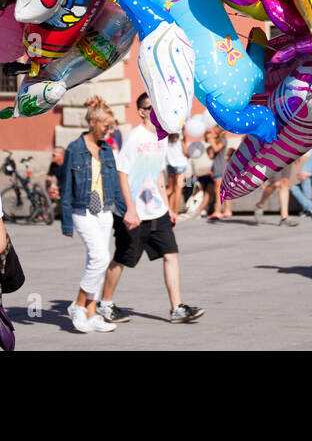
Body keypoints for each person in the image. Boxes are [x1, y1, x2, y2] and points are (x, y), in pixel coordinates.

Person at [97, 94, 204, 324]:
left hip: (157, 211)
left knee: (171, 254)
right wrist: (130, 209)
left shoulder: (162, 137)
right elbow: (122, 175)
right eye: (150, 107)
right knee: (123, 259)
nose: (156, 111)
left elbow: (158, 174)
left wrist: (168, 207)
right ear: (142, 112)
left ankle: (177, 308)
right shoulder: (135, 138)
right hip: (132, 213)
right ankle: (105, 304)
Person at [60, 97, 126, 334]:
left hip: (105, 211)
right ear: (93, 122)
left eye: (111, 126)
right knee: (100, 258)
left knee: (96, 260)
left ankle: (91, 312)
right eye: (105, 126)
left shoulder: (107, 149)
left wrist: (125, 213)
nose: (109, 130)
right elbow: (66, 187)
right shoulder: (74, 149)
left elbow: (116, 186)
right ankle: (78, 305)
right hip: (82, 211)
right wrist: (66, 222)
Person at [254, 159, 300, 227]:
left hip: (288, 154)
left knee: (285, 182)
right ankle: (260, 204)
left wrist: (298, 154)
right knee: (276, 183)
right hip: (273, 153)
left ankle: (284, 218)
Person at [203, 127, 232, 220]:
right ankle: (227, 210)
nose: (214, 132)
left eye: (216, 130)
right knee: (223, 190)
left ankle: (218, 211)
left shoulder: (223, 140)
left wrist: (212, 141)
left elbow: (216, 149)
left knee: (218, 190)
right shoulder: (218, 140)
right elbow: (212, 155)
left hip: (221, 167)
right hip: (217, 167)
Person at [164, 132, 188, 217]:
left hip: (169, 164)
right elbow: (185, 151)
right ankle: (175, 213)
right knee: (179, 189)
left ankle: (169, 212)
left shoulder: (166, 133)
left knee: (171, 189)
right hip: (180, 164)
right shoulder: (180, 134)